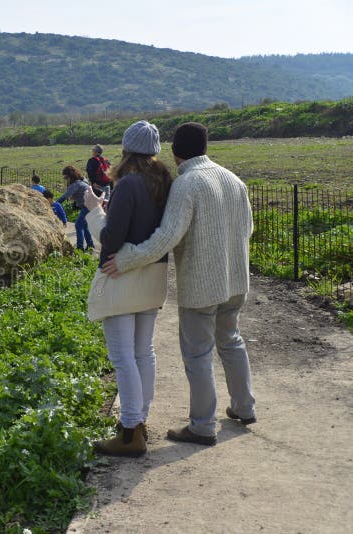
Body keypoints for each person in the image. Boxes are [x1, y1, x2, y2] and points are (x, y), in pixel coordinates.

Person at [100, 122, 256, 447]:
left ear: (175, 152)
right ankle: (244, 406)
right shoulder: (233, 180)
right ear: (206, 145)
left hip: (203, 284)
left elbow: (167, 237)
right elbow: (248, 228)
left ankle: (202, 425)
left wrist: (127, 259)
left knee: (198, 354)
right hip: (236, 280)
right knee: (231, 341)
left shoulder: (188, 183)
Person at [83, 120, 173, 457]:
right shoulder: (164, 184)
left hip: (122, 277)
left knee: (122, 357)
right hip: (153, 278)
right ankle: (141, 422)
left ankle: (129, 431)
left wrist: (95, 211)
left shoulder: (128, 184)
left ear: (126, 150)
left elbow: (111, 240)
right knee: (143, 352)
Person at [57, 165, 94, 251]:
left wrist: (54, 204)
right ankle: (90, 246)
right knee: (84, 226)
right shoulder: (82, 180)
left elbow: (64, 197)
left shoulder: (75, 184)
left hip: (87, 206)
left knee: (78, 225)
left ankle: (80, 248)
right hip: (90, 205)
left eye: (65, 177)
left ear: (69, 176)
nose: (65, 180)